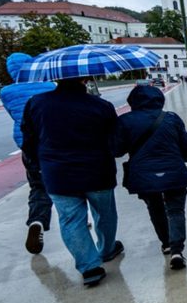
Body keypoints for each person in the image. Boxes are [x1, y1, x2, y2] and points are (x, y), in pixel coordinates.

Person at [22, 76, 122, 287]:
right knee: (105, 214)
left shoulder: (37, 103)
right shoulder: (101, 106)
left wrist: (37, 163)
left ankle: (90, 267)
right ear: (84, 79)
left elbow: (29, 139)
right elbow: (115, 140)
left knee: (70, 220)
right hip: (97, 171)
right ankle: (106, 249)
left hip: (58, 173)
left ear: (57, 78)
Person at [114, 85, 187, 270]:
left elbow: (117, 150)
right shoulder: (172, 118)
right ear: (159, 100)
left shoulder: (125, 121)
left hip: (143, 174)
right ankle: (177, 250)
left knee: (155, 208)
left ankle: (166, 243)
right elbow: (185, 147)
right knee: (175, 210)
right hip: (173, 171)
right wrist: (182, 158)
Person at [0, 53, 55, 254]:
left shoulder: (6, 92)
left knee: (38, 187)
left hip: (27, 144)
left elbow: (14, 114)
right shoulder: (50, 87)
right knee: (69, 183)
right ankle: (81, 220)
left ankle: (37, 221)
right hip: (52, 142)